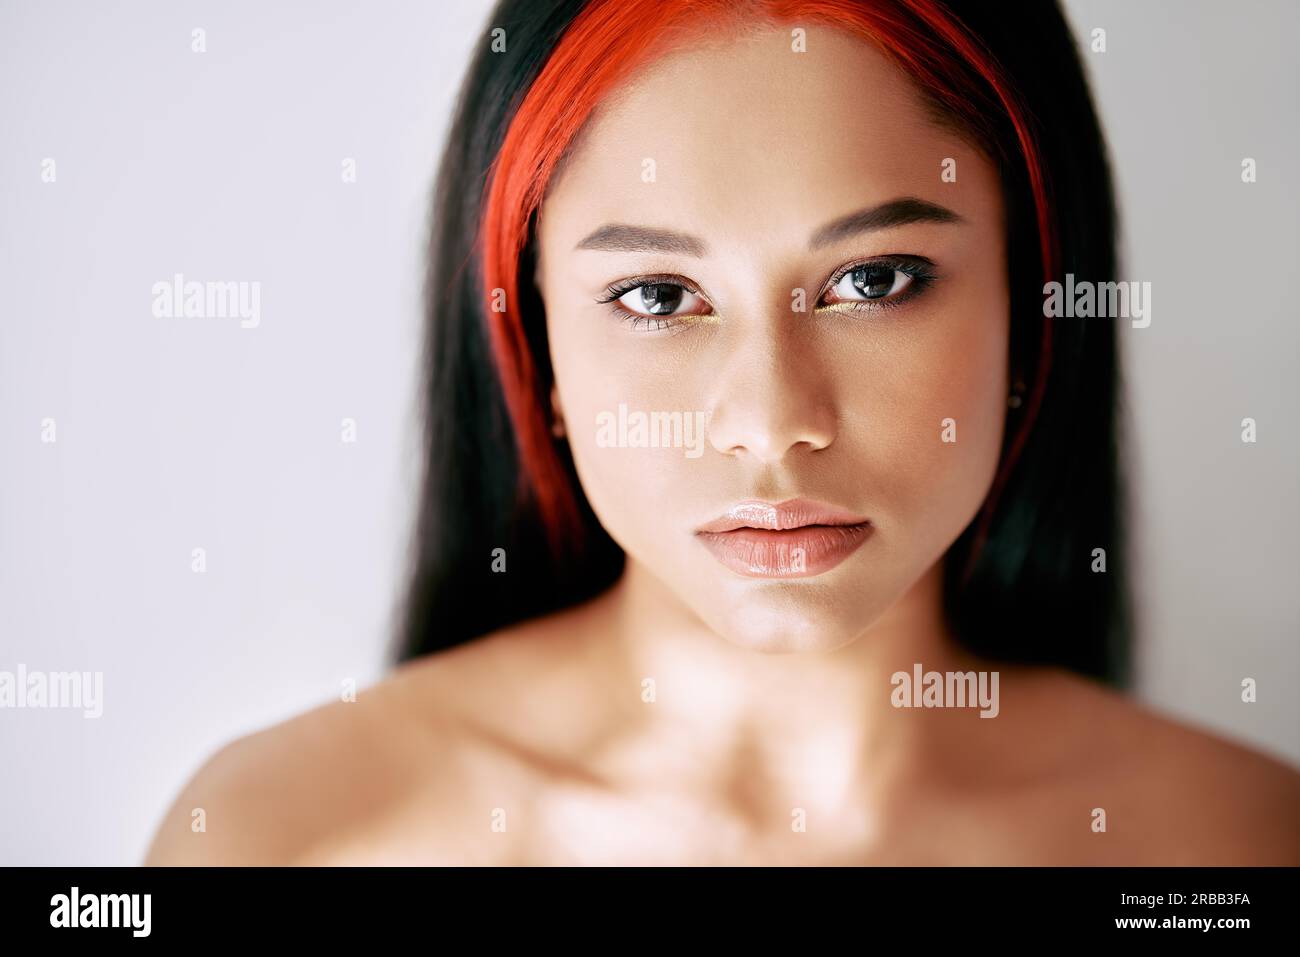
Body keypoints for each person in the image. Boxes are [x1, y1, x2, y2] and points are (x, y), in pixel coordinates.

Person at [145, 0, 1300, 866]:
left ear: (1031, 307)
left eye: (875, 280)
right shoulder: (288, 839)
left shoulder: (1233, 844)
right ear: (533, 348)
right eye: (655, 296)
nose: (770, 424)